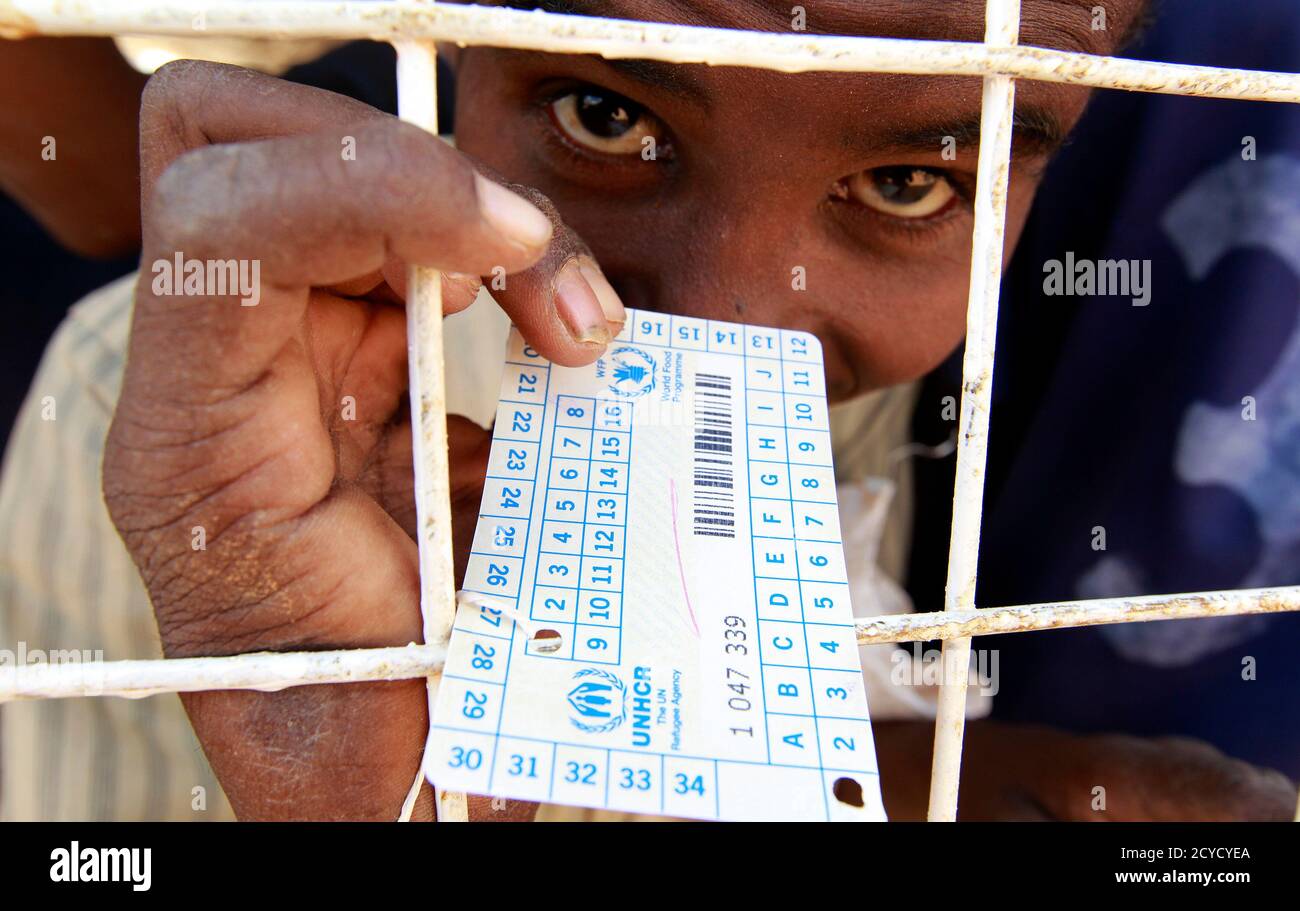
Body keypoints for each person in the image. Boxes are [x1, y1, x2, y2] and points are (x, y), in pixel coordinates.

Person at [1, 0, 1293, 821]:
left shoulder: (902, 415)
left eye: (907, 185)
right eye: (605, 114)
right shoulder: (155, 429)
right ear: (442, 32)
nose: (719, 331)